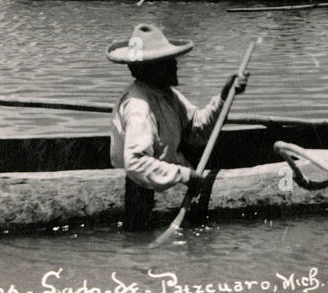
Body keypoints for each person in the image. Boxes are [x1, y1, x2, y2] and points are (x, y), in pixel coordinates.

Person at [106, 23, 249, 228]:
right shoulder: (139, 107)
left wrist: (224, 96)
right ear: (150, 68)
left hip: (165, 178)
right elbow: (135, 163)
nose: (175, 64)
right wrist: (184, 175)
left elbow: (197, 130)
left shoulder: (167, 94)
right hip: (143, 190)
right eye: (167, 61)